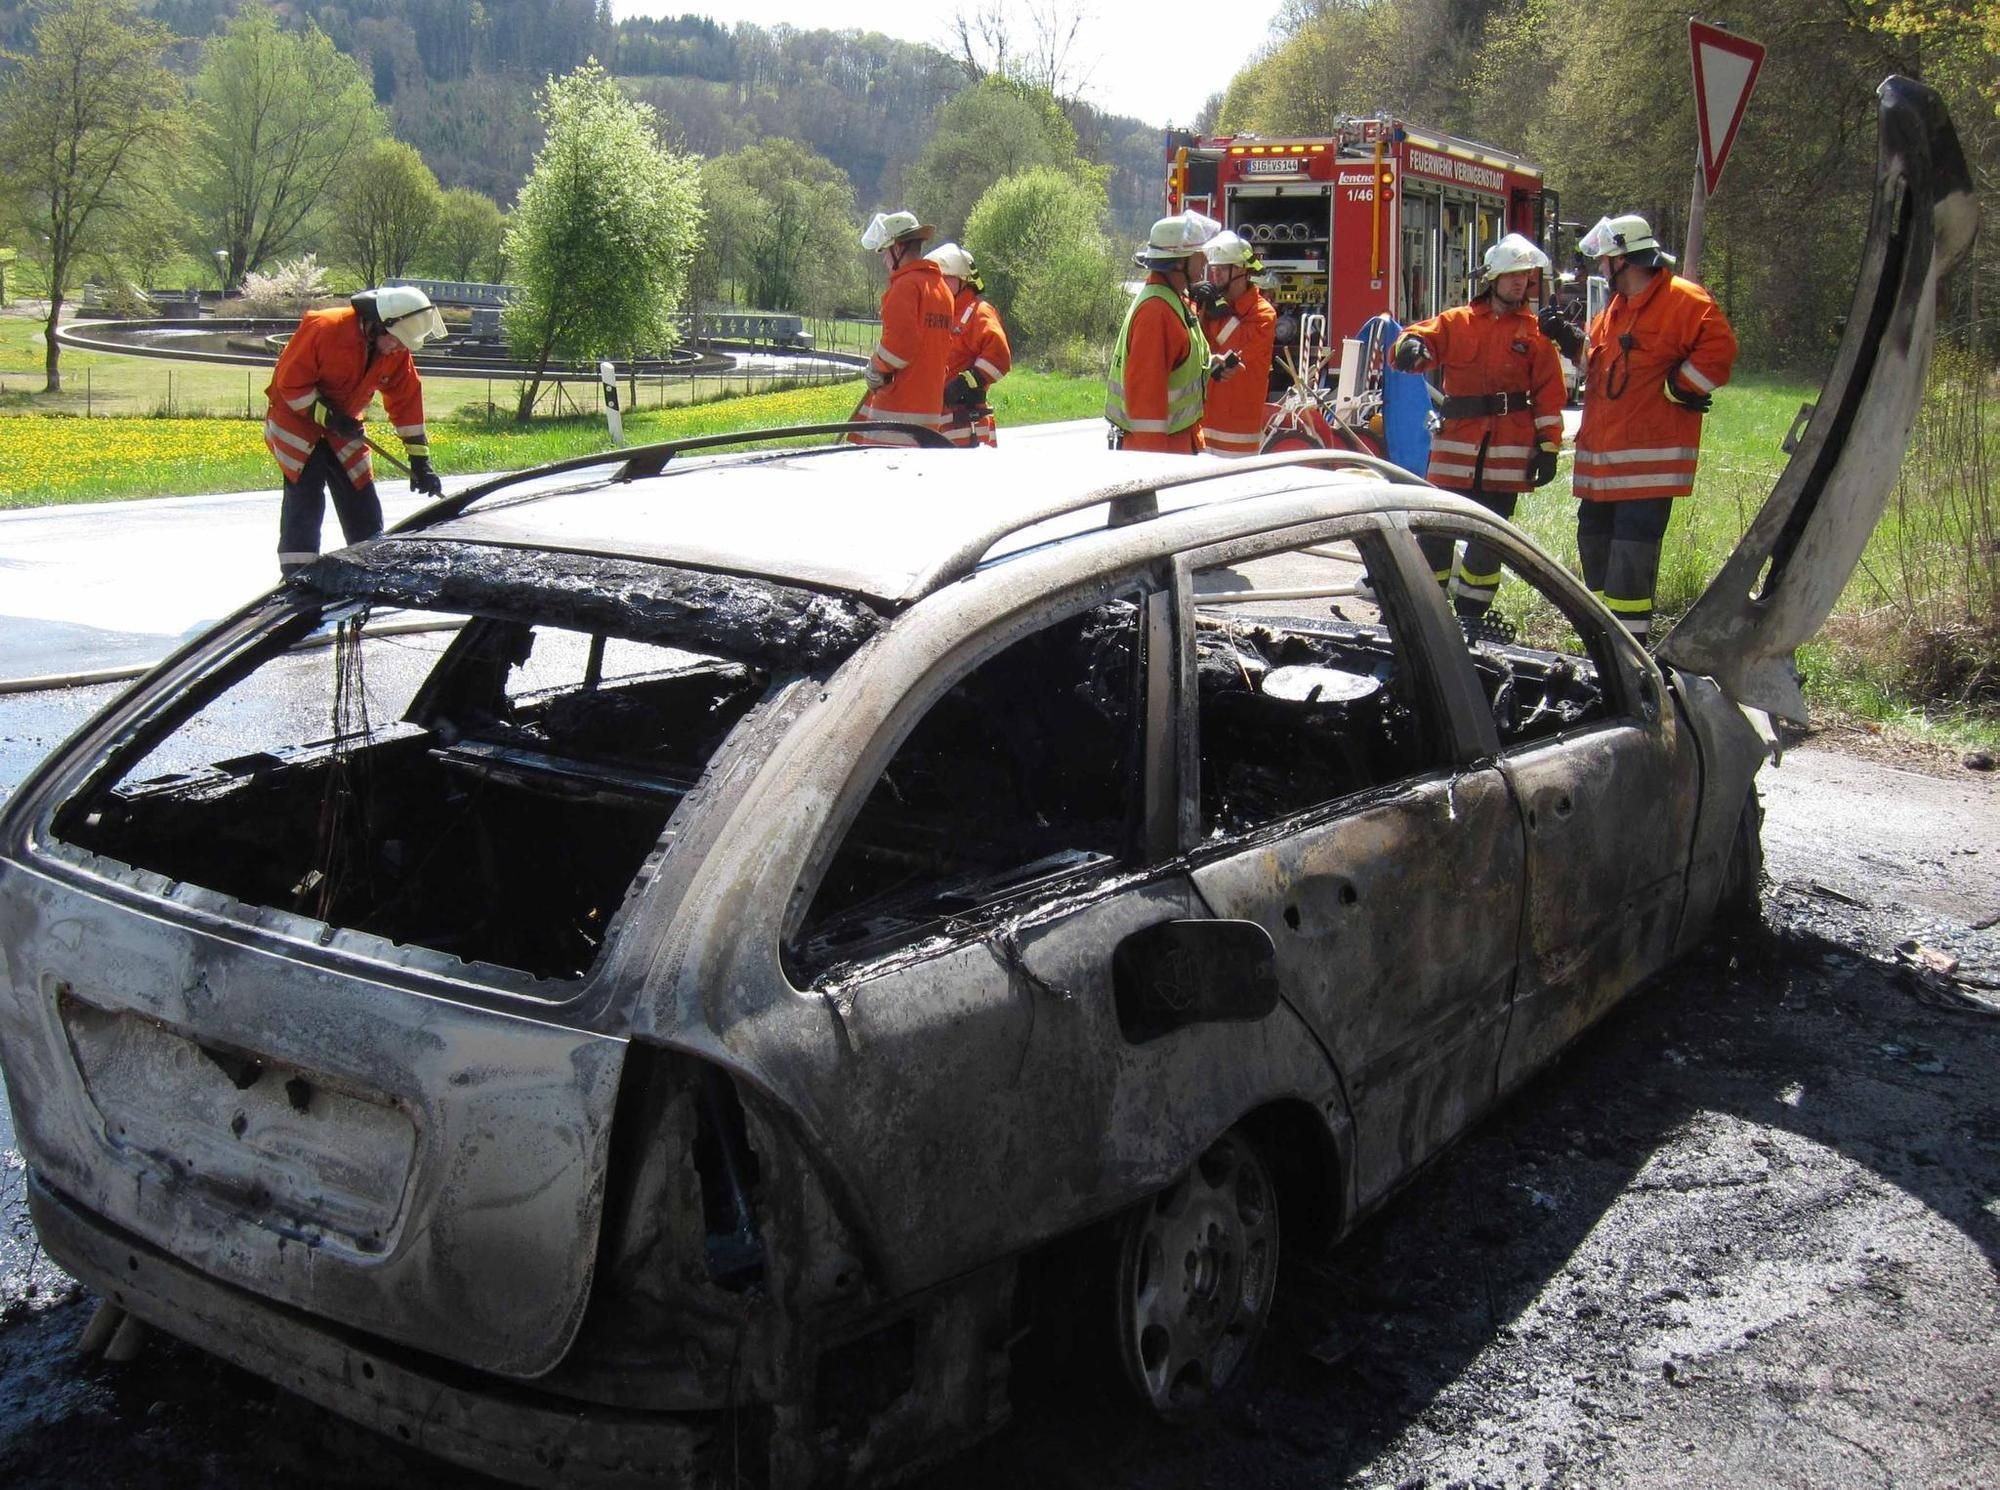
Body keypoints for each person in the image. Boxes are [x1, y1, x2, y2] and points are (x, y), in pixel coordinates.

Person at [1541, 213, 1738, 639]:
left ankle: (1630, 654)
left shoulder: (1685, 301)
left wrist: (1680, 386)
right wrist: (1570, 339)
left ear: (1622, 261)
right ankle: (1603, 642)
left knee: (1629, 567)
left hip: (1647, 471)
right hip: (1603, 471)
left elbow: (1720, 354)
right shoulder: (1616, 309)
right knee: (1594, 553)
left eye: (1604, 261)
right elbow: (1601, 366)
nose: (1600, 269)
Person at [1390, 233, 1566, 619]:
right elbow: (1414, 339)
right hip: (1455, 452)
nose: (1520, 282)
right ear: (1493, 279)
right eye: (1512, 274)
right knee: (1435, 537)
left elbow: (1550, 395)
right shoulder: (1458, 322)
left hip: (1507, 457)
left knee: (1489, 544)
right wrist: (1409, 346)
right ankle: (1426, 614)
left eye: (1525, 275)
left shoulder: (1535, 335)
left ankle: (1473, 618)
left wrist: (1548, 446)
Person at [266, 285, 446, 575]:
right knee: (306, 498)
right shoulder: (324, 328)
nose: (399, 348)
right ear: (377, 326)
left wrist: (420, 461)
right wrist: (329, 417)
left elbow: (406, 401)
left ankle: (370, 570)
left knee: (361, 495)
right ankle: (297, 578)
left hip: (344, 425)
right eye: (397, 341)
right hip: (297, 422)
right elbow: (291, 385)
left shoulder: (393, 347)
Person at [1106, 211, 1232, 453]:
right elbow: (1146, 408)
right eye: (1198, 254)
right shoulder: (1157, 312)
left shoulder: (1174, 300)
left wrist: (1211, 366)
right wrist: (1156, 473)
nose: (1205, 261)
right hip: (1163, 454)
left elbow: (1176, 372)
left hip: (1180, 447)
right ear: (1178, 262)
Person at [852, 210, 955, 447]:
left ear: (897, 249)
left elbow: (899, 347)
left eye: (884, 253)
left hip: (898, 410)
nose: (884, 260)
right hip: (929, 409)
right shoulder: (941, 289)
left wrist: (875, 367)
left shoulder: (904, 287)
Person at [1192, 230, 1278, 458]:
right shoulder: (1209, 307)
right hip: (1202, 424)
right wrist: (1192, 302)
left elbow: (1237, 346)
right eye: (1213, 270)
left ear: (1240, 269)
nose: (1215, 276)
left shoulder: (1263, 314)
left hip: (1238, 434)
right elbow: (1191, 343)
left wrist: (1214, 312)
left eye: (1221, 269)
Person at [926, 241, 1011, 448]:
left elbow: (999, 357)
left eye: (946, 279)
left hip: (966, 422)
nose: (940, 284)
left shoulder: (978, 312)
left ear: (963, 281)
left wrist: (964, 383)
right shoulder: (943, 315)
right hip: (940, 420)